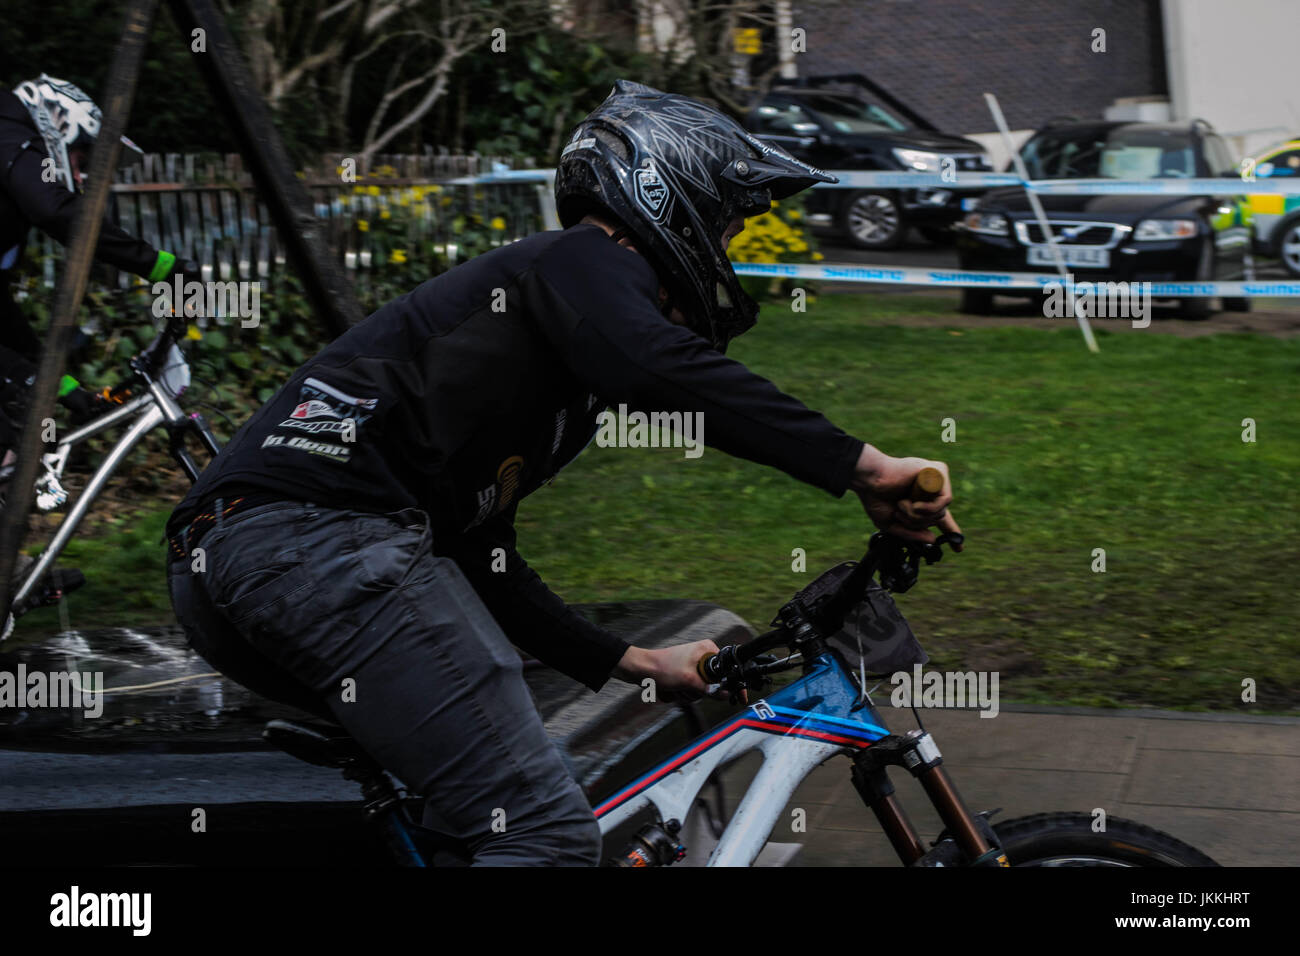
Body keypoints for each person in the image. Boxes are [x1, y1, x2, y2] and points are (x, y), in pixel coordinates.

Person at [164, 79, 960, 866]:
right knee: (542, 832)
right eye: (724, 221)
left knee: (472, 819)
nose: (721, 250)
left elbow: (480, 552)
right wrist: (867, 467)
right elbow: (658, 367)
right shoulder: (583, 261)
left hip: (250, 561)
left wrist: (633, 662)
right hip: (315, 547)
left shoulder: (549, 343)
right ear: (665, 192)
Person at [0, 73, 192, 478]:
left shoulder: (10, 209)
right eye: (83, 161)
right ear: (60, 123)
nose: (84, 179)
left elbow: (4, 322)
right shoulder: (7, 122)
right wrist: (161, 267)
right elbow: (54, 210)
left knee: (22, 429)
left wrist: (73, 394)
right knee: (20, 416)